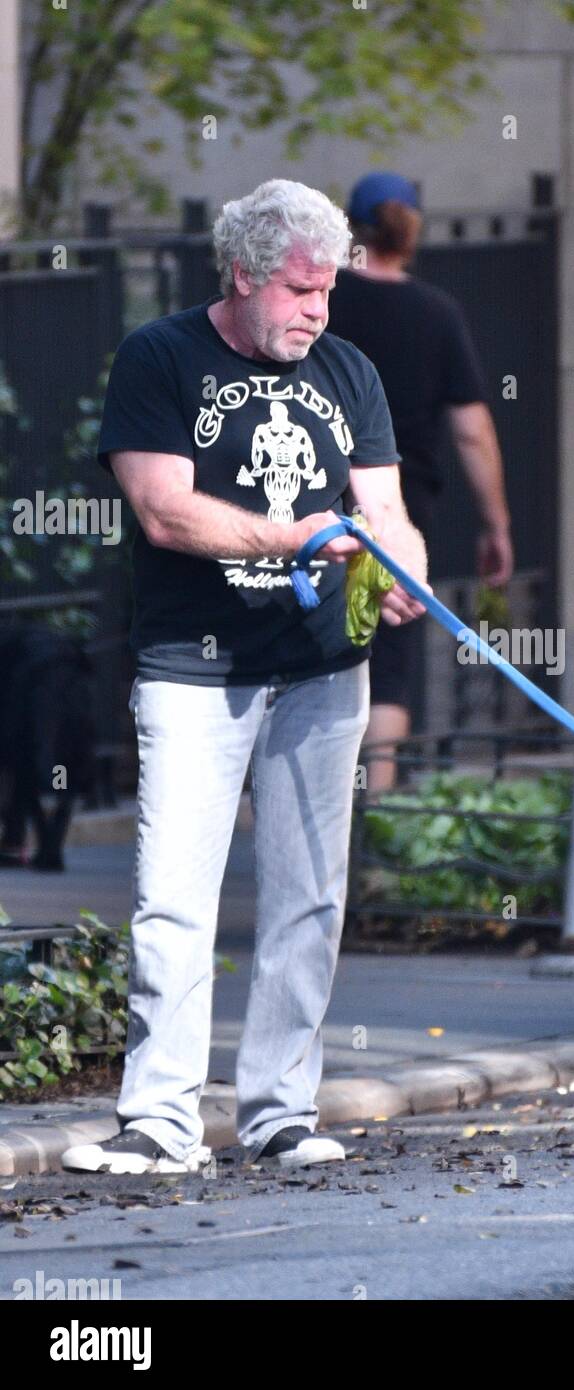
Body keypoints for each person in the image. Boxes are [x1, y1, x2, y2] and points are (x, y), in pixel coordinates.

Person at [60, 178, 429, 1175]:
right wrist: (299, 539)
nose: (316, 309)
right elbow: (165, 511)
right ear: (243, 272)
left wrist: (404, 568)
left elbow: (386, 511)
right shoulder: (163, 356)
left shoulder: (349, 371)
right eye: (298, 289)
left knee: (309, 897)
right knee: (175, 897)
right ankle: (162, 1120)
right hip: (194, 667)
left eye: (327, 292)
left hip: (320, 671)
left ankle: (281, 1110)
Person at [327, 171, 514, 790]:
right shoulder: (436, 313)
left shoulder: (325, 301)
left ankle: (303, 794)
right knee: (390, 650)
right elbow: (471, 432)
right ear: (411, 233)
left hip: (316, 498)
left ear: (352, 228)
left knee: (309, 633)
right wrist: (497, 524)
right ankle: (373, 804)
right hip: (403, 506)